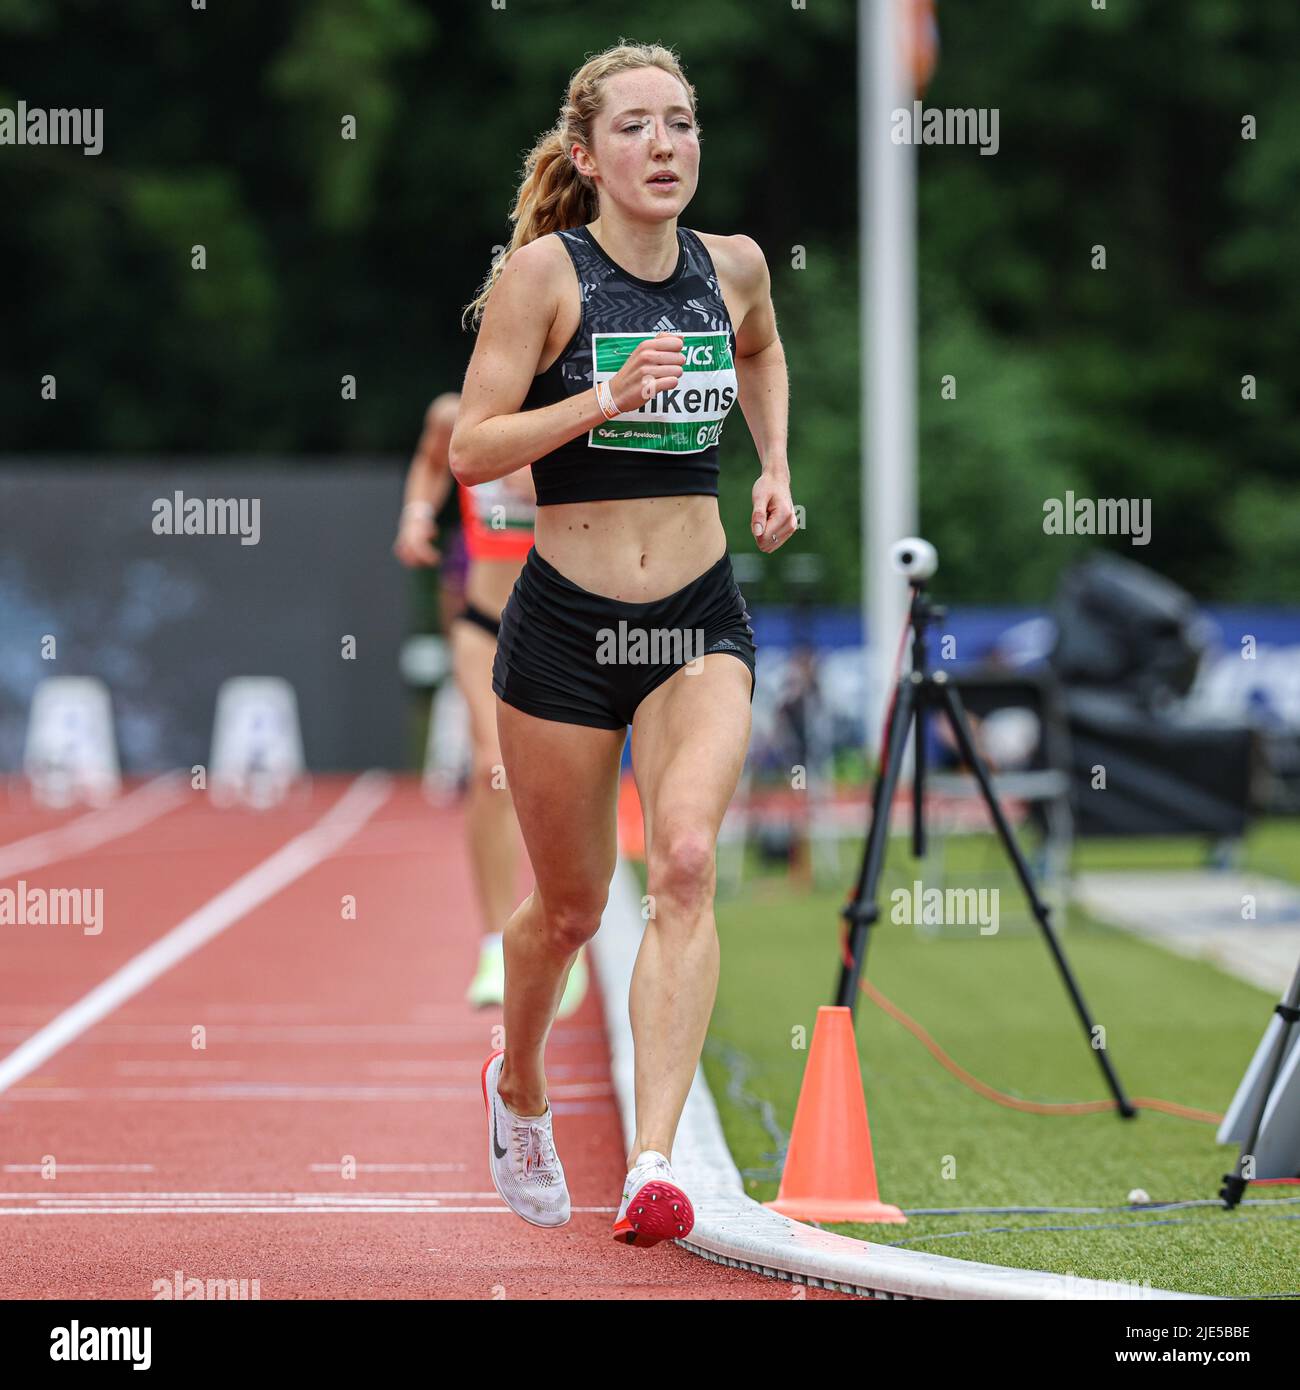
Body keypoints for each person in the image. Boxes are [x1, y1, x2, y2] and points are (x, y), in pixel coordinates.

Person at [452, 42, 795, 1248]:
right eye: (639, 127)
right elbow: (473, 449)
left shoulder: (735, 266)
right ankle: (519, 1086)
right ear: (589, 156)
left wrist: (774, 468)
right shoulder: (546, 276)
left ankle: (653, 1162)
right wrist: (602, 398)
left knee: (688, 860)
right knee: (569, 908)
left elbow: (758, 349)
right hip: (561, 629)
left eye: (683, 124)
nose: (666, 145)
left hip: (697, 615)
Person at [395, 393, 588, 1017]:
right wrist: (416, 516)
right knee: (489, 770)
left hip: (563, 626)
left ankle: (565, 937)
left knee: (563, 781)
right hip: (484, 624)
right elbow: (432, 460)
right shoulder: (457, 416)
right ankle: (492, 943)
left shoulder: (583, 407)